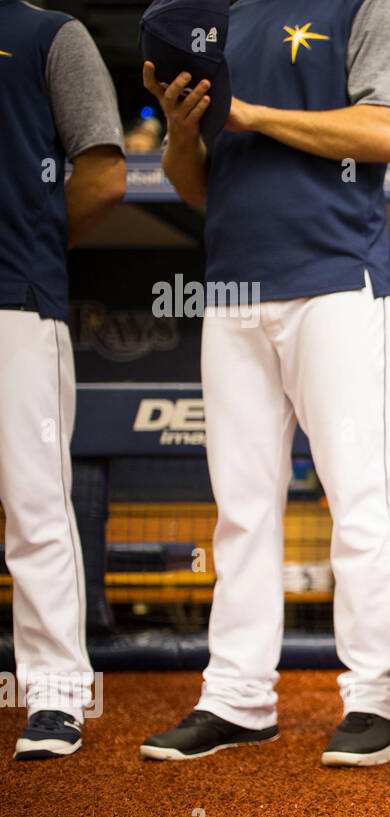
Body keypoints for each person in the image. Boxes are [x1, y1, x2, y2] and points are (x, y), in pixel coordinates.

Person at [138, 0, 390, 766]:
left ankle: (372, 695)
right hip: (231, 288)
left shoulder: (363, 5)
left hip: (335, 279)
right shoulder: (216, 16)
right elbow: (196, 189)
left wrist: (252, 113)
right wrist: (185, 129)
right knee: (240, 509)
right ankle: (237, 696)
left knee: (357, 498)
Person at [1, 0, 126, 759]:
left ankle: (53, 696)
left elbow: (105, 174)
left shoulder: (48, 32)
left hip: (15, 299)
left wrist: (33, 244)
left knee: (36, 505)